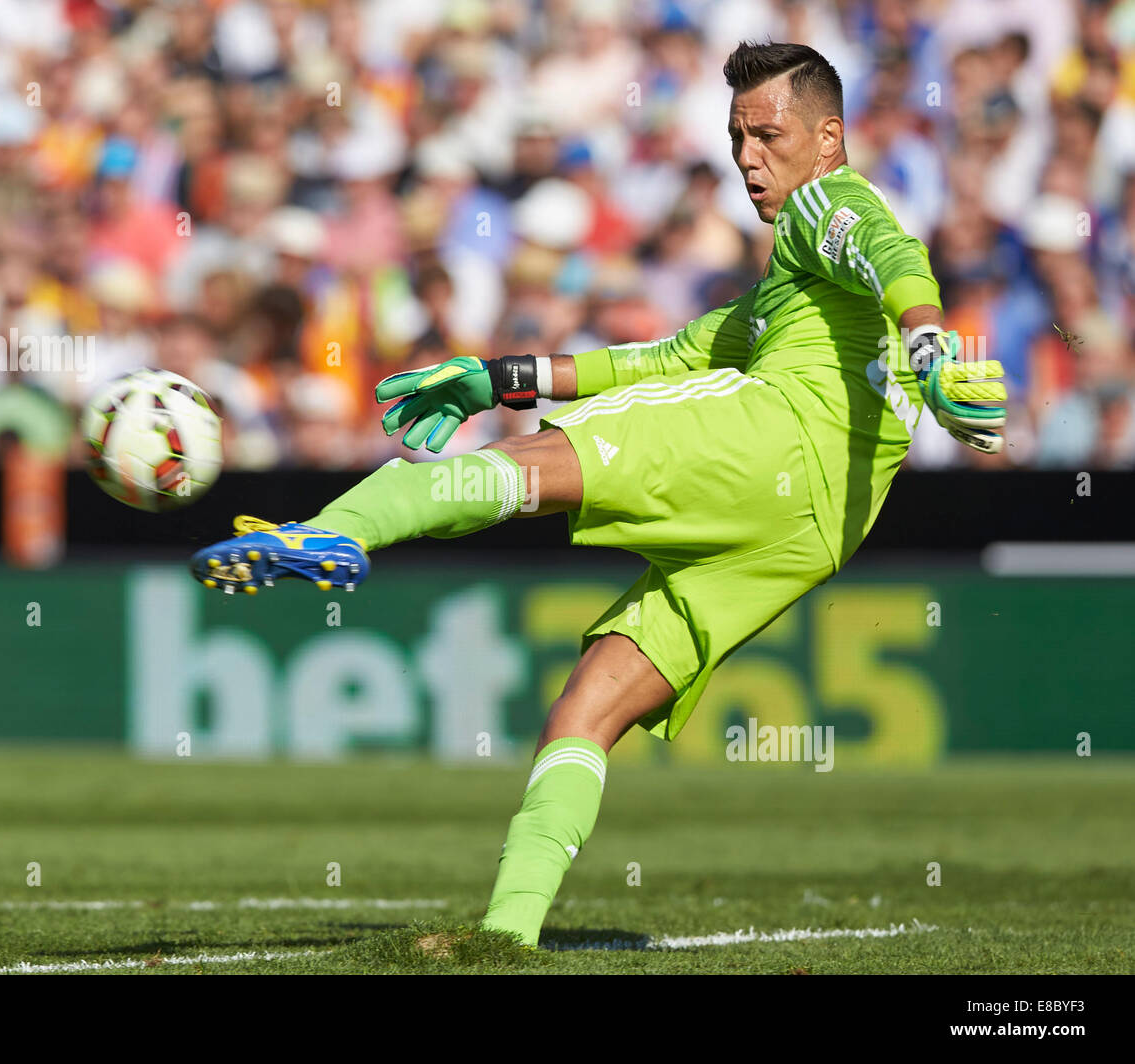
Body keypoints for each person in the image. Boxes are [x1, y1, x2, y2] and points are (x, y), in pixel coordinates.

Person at [189, 42, 1006, 948]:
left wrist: (933, 347)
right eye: (736, 135)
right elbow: (663, 358)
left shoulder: (828, 202)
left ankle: (332, 533)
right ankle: (507, 935)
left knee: (533, 466)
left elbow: (898, 257)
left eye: (768, 134)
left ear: (828, 138)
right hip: (817, 528)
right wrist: (505, 373)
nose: (747, 158)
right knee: (588, 705)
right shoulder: (790, 296)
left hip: (774, 438)